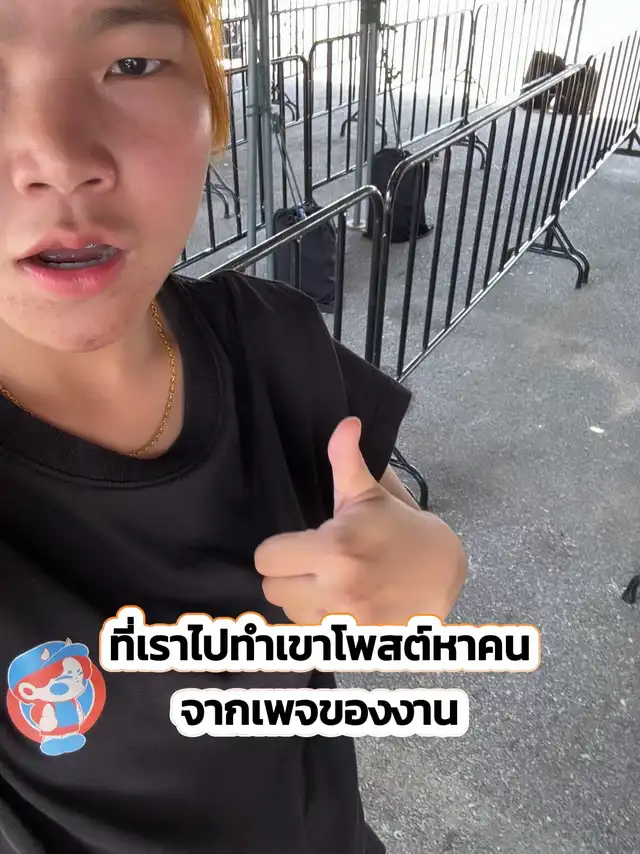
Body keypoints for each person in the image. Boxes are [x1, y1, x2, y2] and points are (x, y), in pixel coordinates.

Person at [0, 1, 468, 852]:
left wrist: (431, 563)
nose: (62, 162)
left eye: (131, 65)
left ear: (213, 105)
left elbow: (393, 521)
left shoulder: (271, 338)